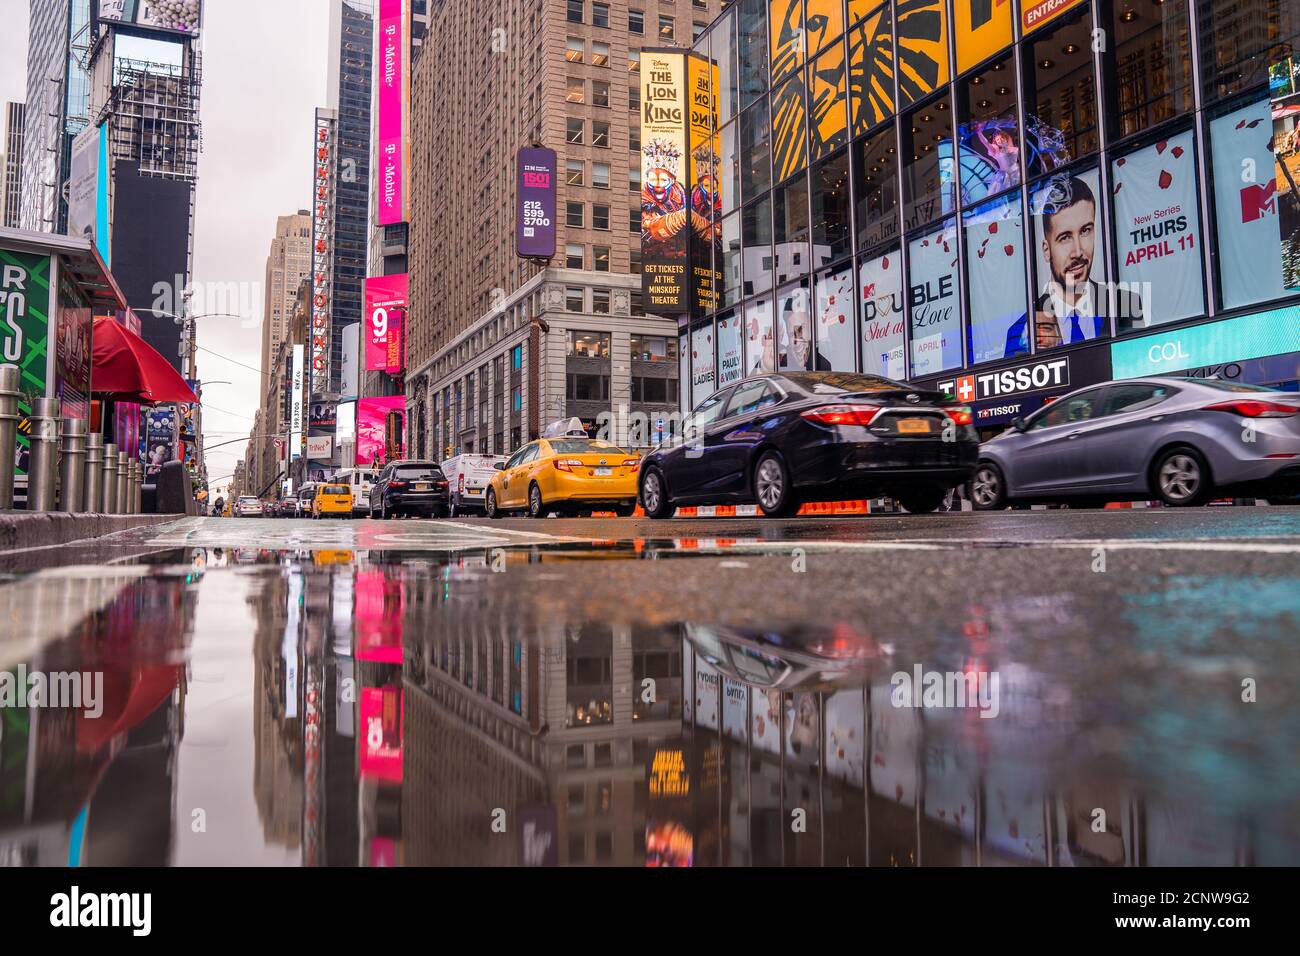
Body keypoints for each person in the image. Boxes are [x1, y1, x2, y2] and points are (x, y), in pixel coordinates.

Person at [1004, 176, 1143, 355]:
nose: (1077, 251)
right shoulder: (1020, 329)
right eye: (1065, 237)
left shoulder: (1126, 305)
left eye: (1085, 231)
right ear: (1046, 250)